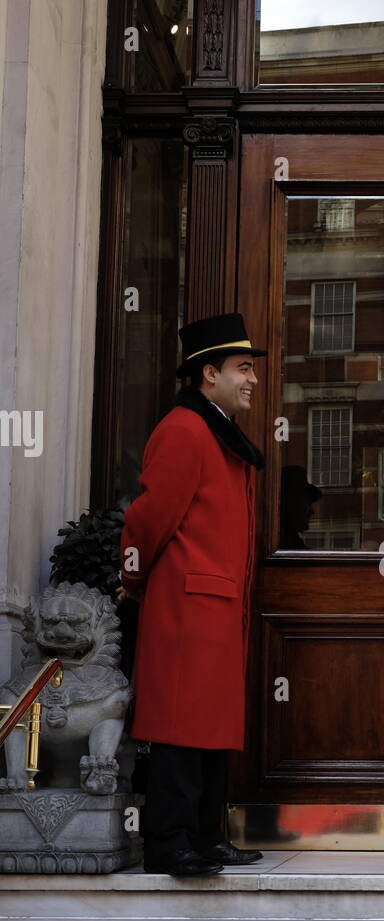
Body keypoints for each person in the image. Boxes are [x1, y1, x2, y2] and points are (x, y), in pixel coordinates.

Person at [118, 314, 266, 877]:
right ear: (210, 374)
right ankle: (169, 841)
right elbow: (148, 519)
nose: (252, 379)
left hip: (216, 603)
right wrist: (132, 584)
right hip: (186, 603)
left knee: (208, 725)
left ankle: (205, 836)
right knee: (181, 726)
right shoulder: (184, 429)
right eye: (242, 369)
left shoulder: (216, 429)